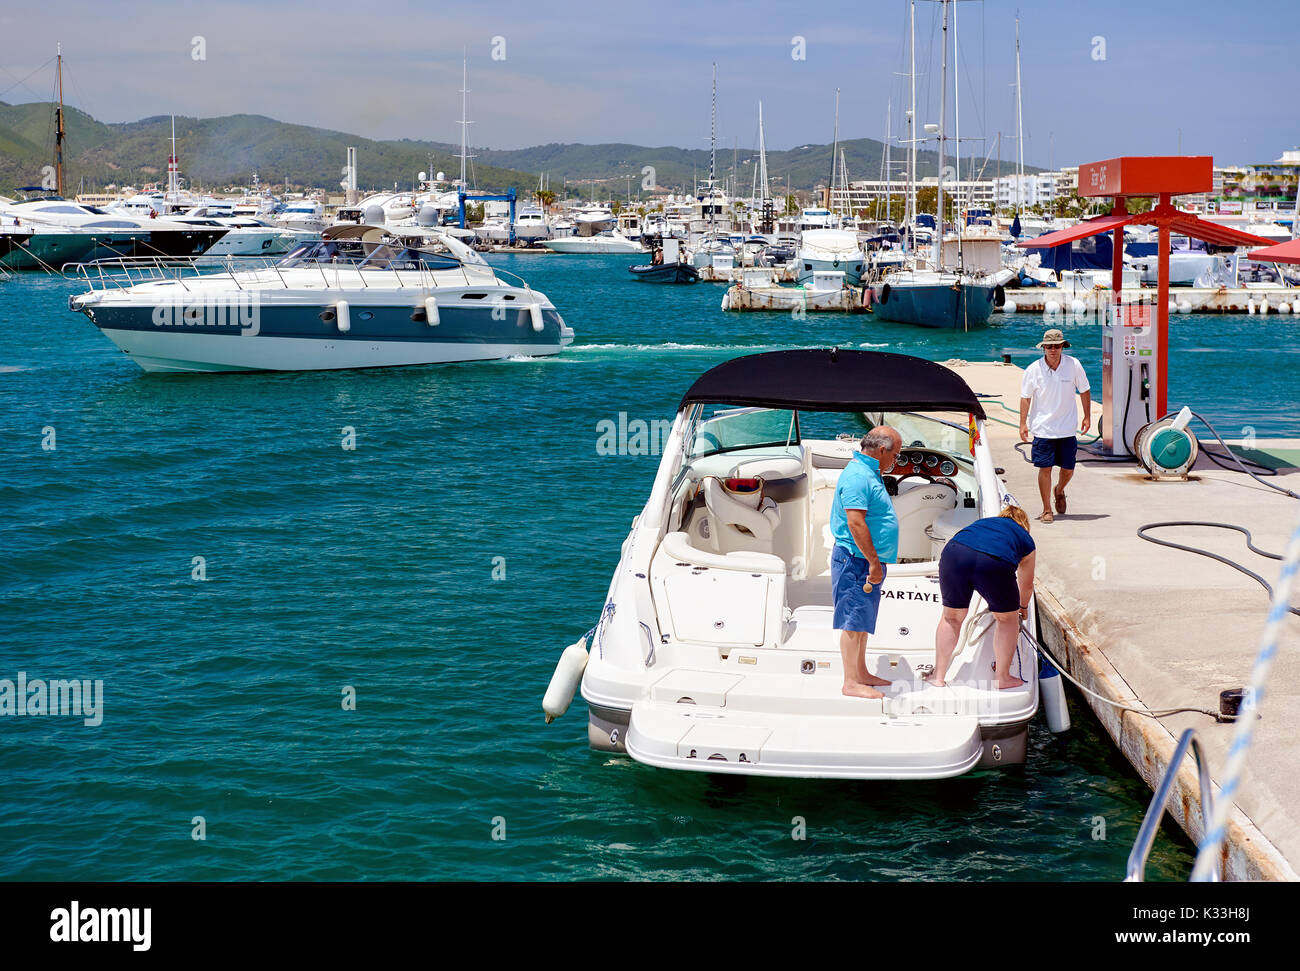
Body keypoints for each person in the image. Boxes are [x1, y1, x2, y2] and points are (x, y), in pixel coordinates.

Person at [925, 505, 1036, 690]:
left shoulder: (983, 523)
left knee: (951, 617)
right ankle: (1002, 677)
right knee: (1006, 620)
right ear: (1024, 524)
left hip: (955, 552)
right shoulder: (1026, 539)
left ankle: (938, 676)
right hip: (993, 562)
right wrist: (1022, 608)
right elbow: (1027, 585)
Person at [830, 426, 902, 699]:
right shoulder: (858, 476)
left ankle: (860, 672)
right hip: (856, 560)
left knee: (862, 621)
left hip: (865, 560)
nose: (896, 460)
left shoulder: (869, 470)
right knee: (852, 621)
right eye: (895, 454)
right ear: (881, 450)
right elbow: (855, 522)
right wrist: (873, 562)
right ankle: (850, 682)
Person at [1019, 328, 1091, 523]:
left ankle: (1059, 490)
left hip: (1067, 428)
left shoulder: (1073, 365)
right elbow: (1025, 397)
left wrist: (1087, 417)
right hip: (1043, 429)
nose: (1053, 350)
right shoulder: (1033, 369)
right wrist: (1022, 424)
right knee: (1045, 468)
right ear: (1043, 348)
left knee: (1068, 469)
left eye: (1057, 346)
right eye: (1049, 346)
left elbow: (1084, 390)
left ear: (1062, 347)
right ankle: (1046, 509)